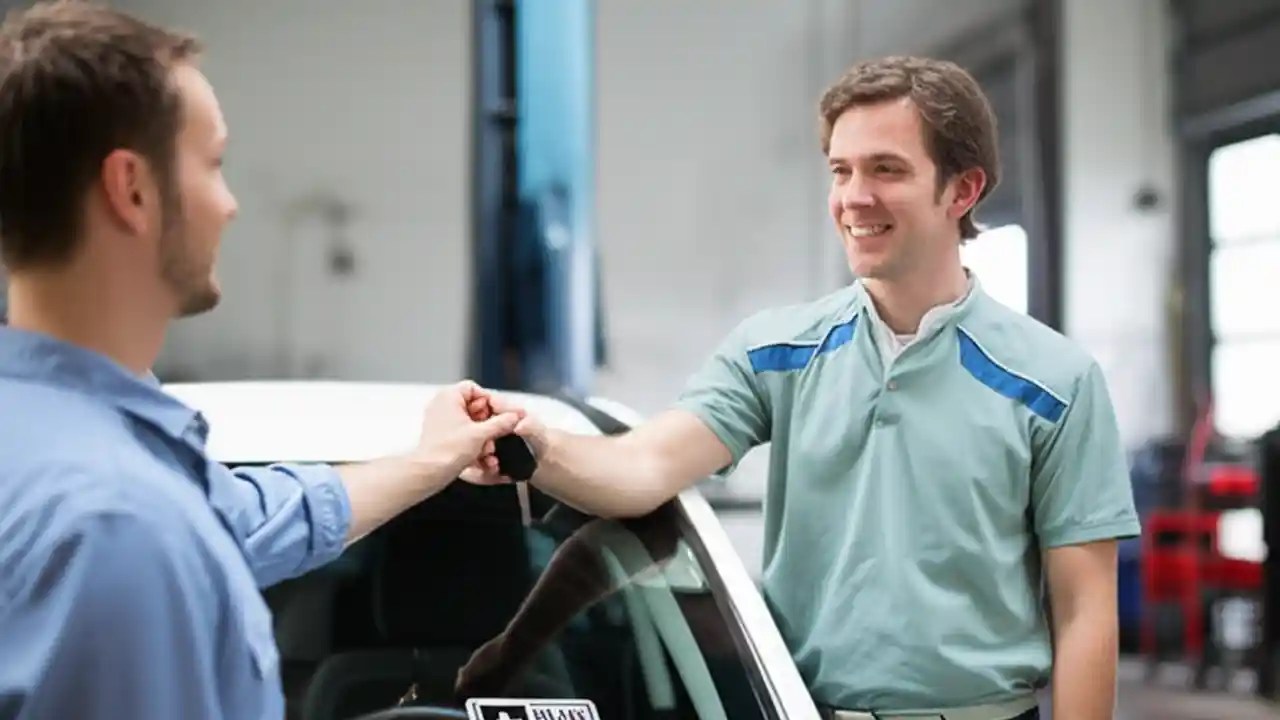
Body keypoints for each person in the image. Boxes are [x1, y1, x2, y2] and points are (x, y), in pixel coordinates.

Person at [466, 56, 1140, 720]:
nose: (854, 197)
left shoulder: (1055, 382)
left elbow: (1084, 613)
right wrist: (538, 445)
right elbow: (642, 466)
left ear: (962, 191)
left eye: (886, 169)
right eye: (841, 171)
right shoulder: (774, 353)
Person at [0, 3, 518, 719]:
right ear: (133, 189)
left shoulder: (71, 452)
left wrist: (428, 461)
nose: (231, 204)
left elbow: (240, 520)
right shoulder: (121, 524)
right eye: (213, 163)